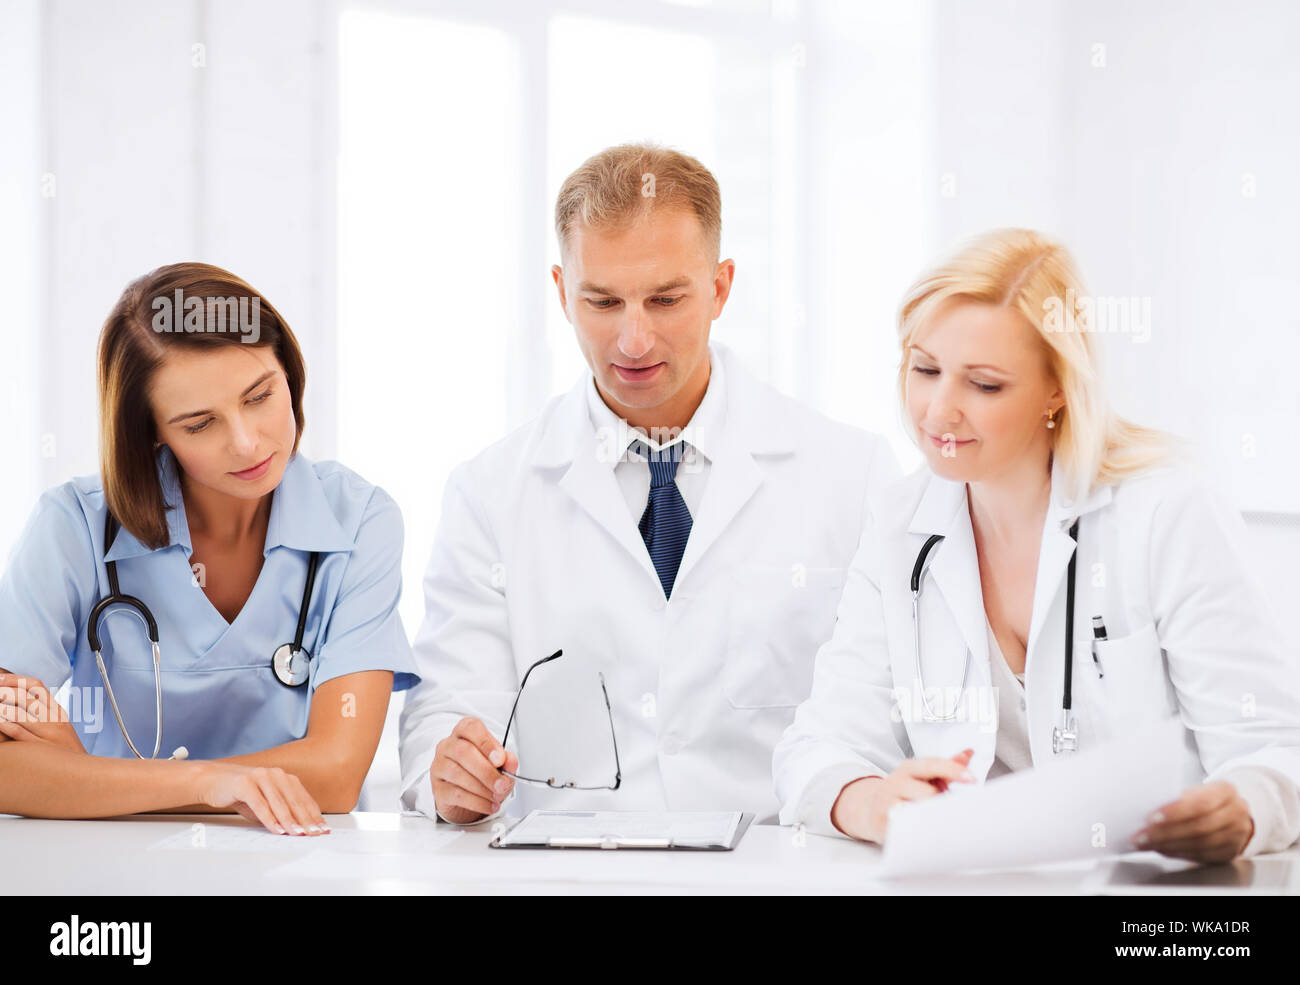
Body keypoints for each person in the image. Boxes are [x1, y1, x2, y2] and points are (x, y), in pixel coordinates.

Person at [398, 144, 899, 824]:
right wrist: (449, 771)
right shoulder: (490, 491)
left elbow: (881, 718)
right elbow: (450, 709)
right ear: (560, 289)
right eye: (601, 301)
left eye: (666, 299)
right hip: (574, 873)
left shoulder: (850, 474)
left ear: (721, 287)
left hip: (775, 873)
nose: (633, 340)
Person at [774, 228, 1300, 862]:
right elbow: (816, 747)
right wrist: (869, 801)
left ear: (1058, 389)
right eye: (925, 369)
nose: (939, 411)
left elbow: (1273, 745)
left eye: (985, 385)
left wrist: (1243, 812)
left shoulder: (1165, 513)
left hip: (1150, 895)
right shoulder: (897, 528)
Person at [0, 262, 418, 835]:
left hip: (303, 866)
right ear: (152, 433)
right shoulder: (72, 527)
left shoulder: (361, 519)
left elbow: (336, 775)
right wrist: (210, 784)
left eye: (260, 396)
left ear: (290, 373)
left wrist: (87, 778)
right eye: (199, 425)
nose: (247, 443)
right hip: (117, 874)